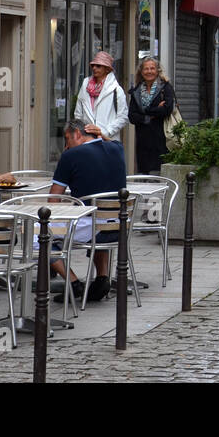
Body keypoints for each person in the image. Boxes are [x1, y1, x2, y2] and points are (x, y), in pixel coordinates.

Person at [49, 120, 129, 303]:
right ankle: (102, 278)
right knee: (97, 217)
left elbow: (53, 201)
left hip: (92, 228)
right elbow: (111, 143)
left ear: (77, 134)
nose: (66, 145)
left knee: (36, 233)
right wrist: (102, 135)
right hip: (119, 227)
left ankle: (73, 282)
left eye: (68, 139)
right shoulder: (117, 148)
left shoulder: (71, 155)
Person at [127, 56, 176, 174]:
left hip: (162, 139)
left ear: (157, 70)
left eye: (152, 68)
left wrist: (146, 111)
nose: (149, 71)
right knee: (144, 173)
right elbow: (132, 116)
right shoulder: (136, 91)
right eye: (146, 69)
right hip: (143, 141)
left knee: (160, 173)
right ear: (141, 71)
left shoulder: (165, 87)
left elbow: (167, 109)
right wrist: (152, 113)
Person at [73, 50, 128, 142]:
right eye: (93, 66)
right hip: (87, 139)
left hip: (108, 141)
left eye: (98, 66)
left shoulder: (116, 90)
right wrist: (82, 133)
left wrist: (105, 132)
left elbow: (123, 117)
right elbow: (78, 113)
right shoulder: (85, 86)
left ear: (107, 69)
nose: (94, 68)